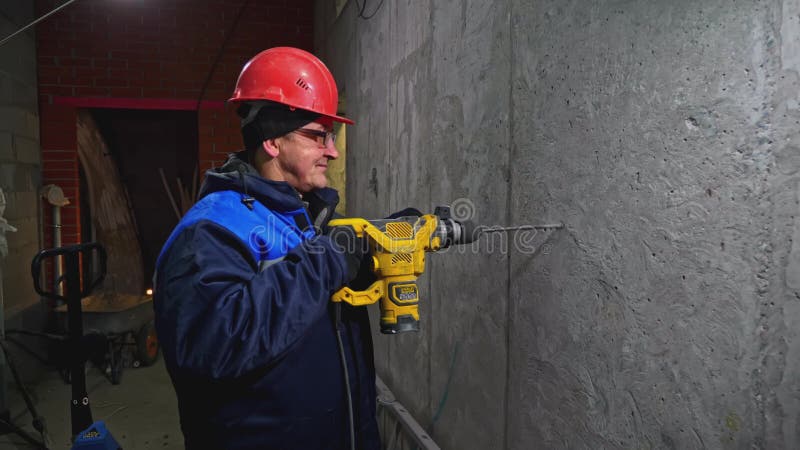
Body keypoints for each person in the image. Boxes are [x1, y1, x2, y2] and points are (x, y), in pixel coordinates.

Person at [153, 47, 380, 450]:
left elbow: (302, 306)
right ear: (273, 142)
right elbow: (216, 343)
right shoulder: (209, 231)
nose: (333, 150)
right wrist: (328, 260)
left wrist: (372, 250)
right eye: (318, 135)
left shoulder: (298, 216)